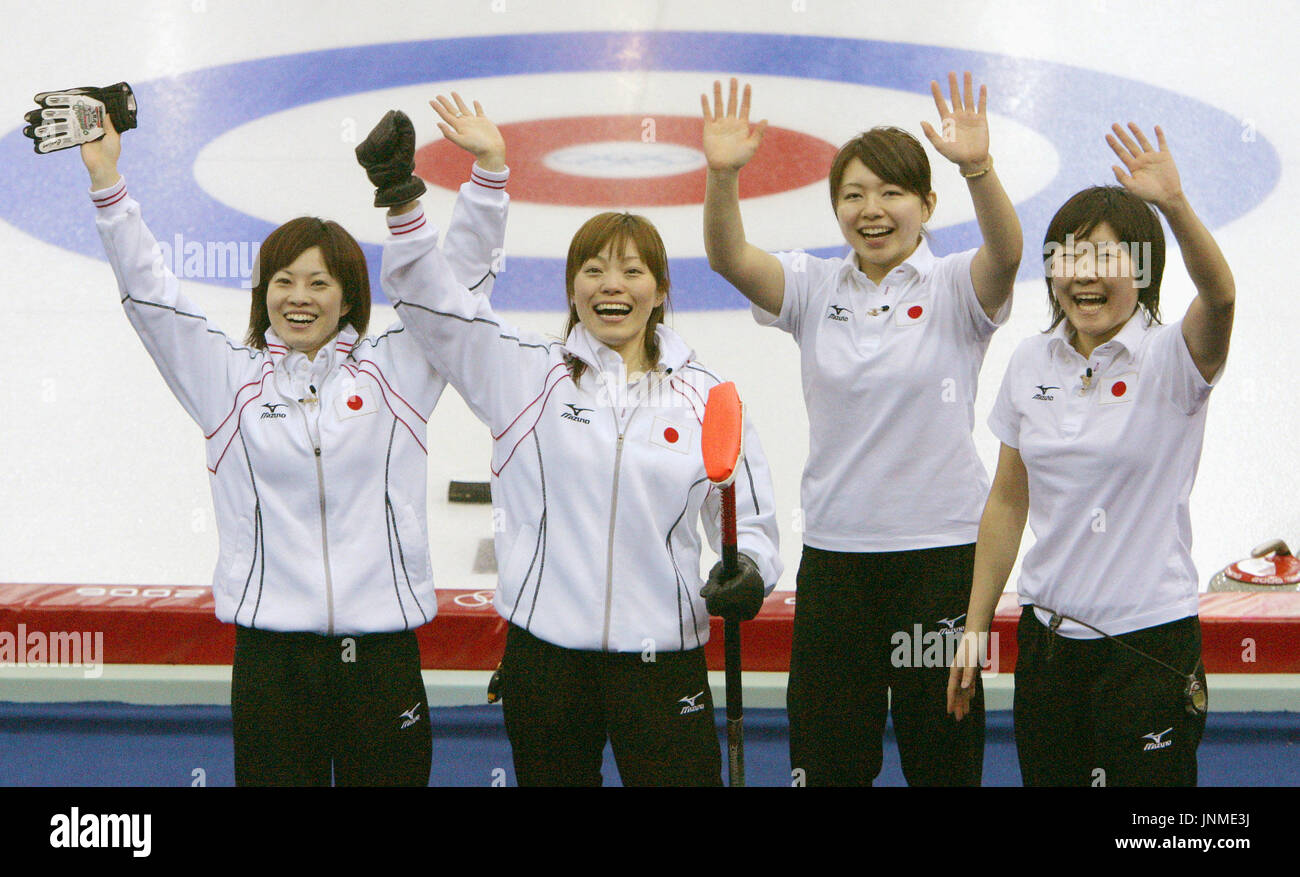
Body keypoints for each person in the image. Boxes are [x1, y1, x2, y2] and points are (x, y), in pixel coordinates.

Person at [77, 108, 508, 785]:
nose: (298, 298)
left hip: (382, 654)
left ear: (348, 297)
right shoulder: (228, 381)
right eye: (283, 280)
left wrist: (483, 181)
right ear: (263, 292)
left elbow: (457, 298)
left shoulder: (398, 371)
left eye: (318, 282)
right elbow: (152, 297)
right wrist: (109, 184)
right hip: (273, 664)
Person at [378, 94, 783, 786]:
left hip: (663, 663)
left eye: (632, 270)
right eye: (593, 269)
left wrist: (751, 572)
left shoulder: (707, 396)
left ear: (660, 289)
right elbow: (431, 307)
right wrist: (441, 190)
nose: (611, 285)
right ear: (571, 290)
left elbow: (754, 526)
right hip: (547, 661)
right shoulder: (525, 375)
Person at [701, 74, 1022, 785]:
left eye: (891, 193)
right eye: (853, 195)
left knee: (942, 765)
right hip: (837, 567)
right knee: (829, 763)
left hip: (939, 564)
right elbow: (729, 259)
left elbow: (1006, 256)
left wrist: (978, 167)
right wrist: (723, 177)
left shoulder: (954, 290)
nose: (871, 210)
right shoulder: (814, 289)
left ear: (927, 205)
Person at [948, 123, 1233, 786]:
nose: (1082, 275)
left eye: (1105, 259)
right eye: (1068, 258)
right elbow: (1009, 498)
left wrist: (1177, 206)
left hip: (1148, 647)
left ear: (1142, 269)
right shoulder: (1029, 361)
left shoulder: (1174, 358)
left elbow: (1219, 296)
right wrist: (975, 623)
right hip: (1047, 648)